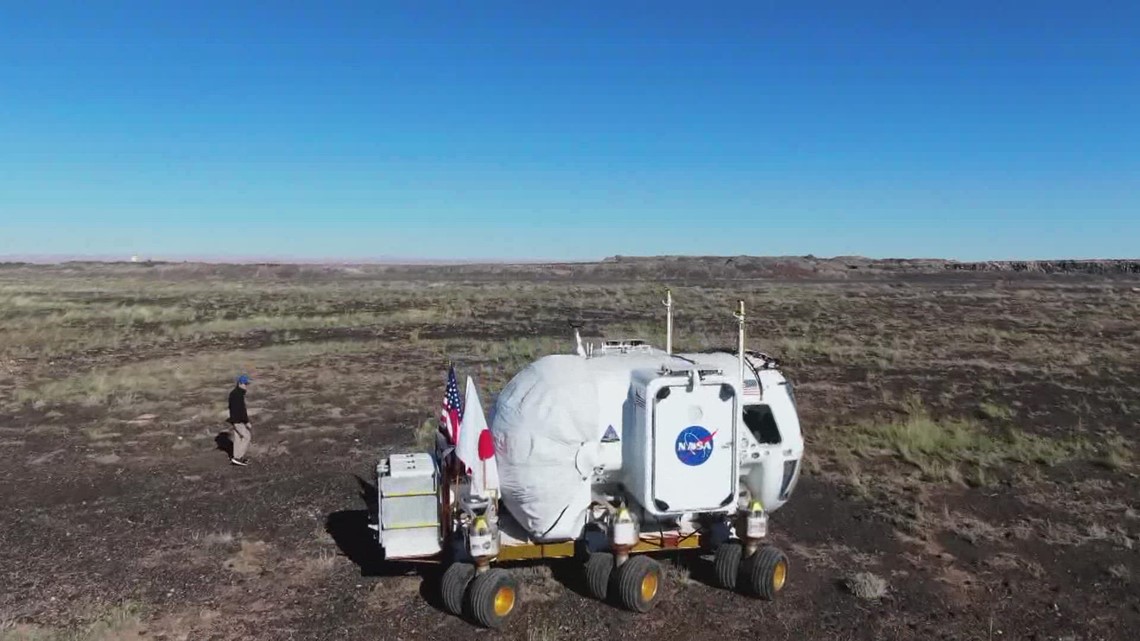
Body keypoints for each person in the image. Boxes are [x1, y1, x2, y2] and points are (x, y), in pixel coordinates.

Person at [227, 374, 252, 466]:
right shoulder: (238, 395)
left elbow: (232, 408)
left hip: (234, 420)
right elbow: (241, 409)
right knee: (247, 436)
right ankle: (238, 457)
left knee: (238, 438)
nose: (246, 386)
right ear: (240, 383)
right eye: (245, 384)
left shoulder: (234, 393)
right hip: (238, 420)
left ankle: (236, 457)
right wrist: (246, 422)